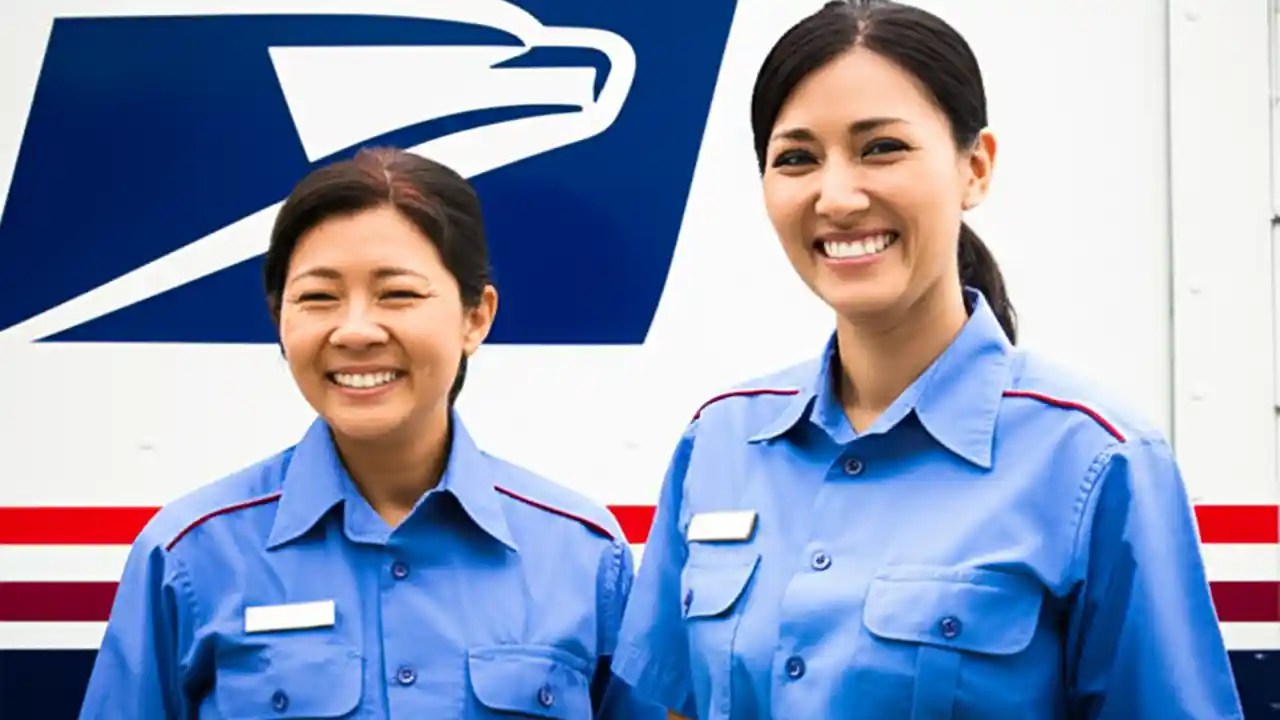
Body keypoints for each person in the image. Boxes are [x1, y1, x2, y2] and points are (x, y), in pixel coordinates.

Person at [610, 2, 1245, 718]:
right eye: (796, 158)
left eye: (881, 147)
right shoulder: (719, 445)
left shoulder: (1097, 462)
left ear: (974, 168)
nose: (838, 196)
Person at [79, 147, 661, 718]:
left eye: (398, 293)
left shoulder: (583, 557)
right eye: (318, 297)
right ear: (280, 320)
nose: (355, 331)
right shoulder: (190, 557)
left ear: (475, 316)